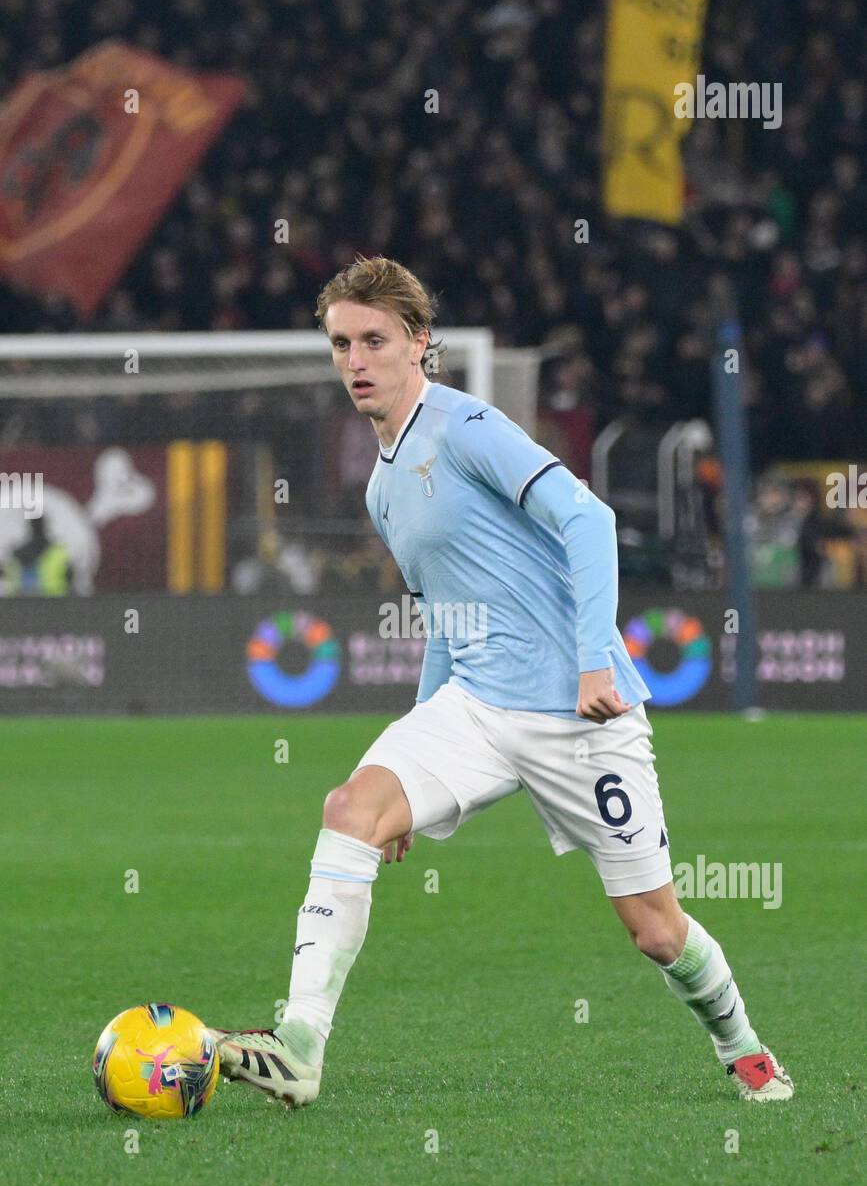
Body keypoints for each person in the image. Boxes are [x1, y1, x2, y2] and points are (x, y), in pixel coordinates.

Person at [210, 257, 793, 1106]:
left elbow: (587, 519)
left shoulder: (466, 425)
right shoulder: (380, 487)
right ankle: (299, 1046)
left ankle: (744, 1052)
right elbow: (446, 617)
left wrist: (595, 655)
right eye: (341, 343)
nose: (356, 360)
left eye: (374, 340)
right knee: (351, 811)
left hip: (579, 715)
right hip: (474, 709)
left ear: (418, 344)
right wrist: (412, 754)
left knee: (655, 931)